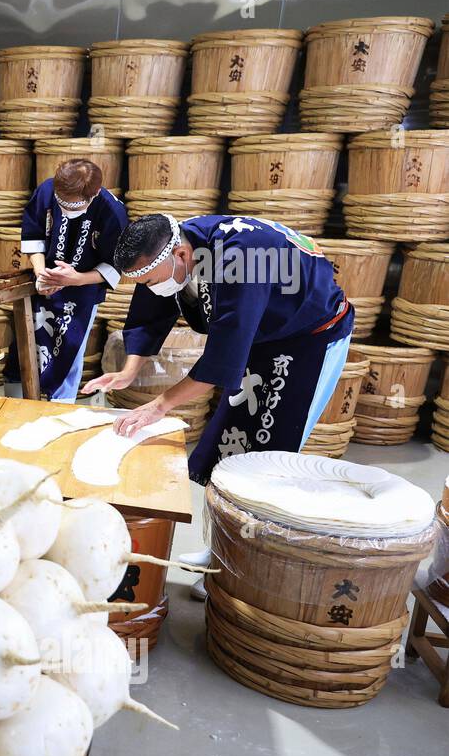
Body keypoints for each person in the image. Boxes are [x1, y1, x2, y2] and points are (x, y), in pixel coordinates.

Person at [83, 213, 353, 597]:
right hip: (259, 337)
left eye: (149, 279)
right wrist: (128, 372)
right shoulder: (173, 245)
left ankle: (239, 570)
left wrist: (158, 406)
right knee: (230, 444)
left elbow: (223, 359)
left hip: (307, 337)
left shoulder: (244, 259)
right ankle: (218, 553)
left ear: (180, 254)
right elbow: (152, 308)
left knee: (267, 457)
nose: (148, 287)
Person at [11, 158, 128, 401]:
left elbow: (115, 266)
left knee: (69, 353)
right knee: (24, 346)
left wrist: (76, 279)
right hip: (44, 282)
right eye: (61, 202)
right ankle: (13, 404)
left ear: (93, 194)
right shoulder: (47, 189)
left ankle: (60, 409)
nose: (65, 208)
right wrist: (41, 273)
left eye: (73, 206)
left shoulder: (112, 211)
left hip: (82, 291)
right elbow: (32, 234)